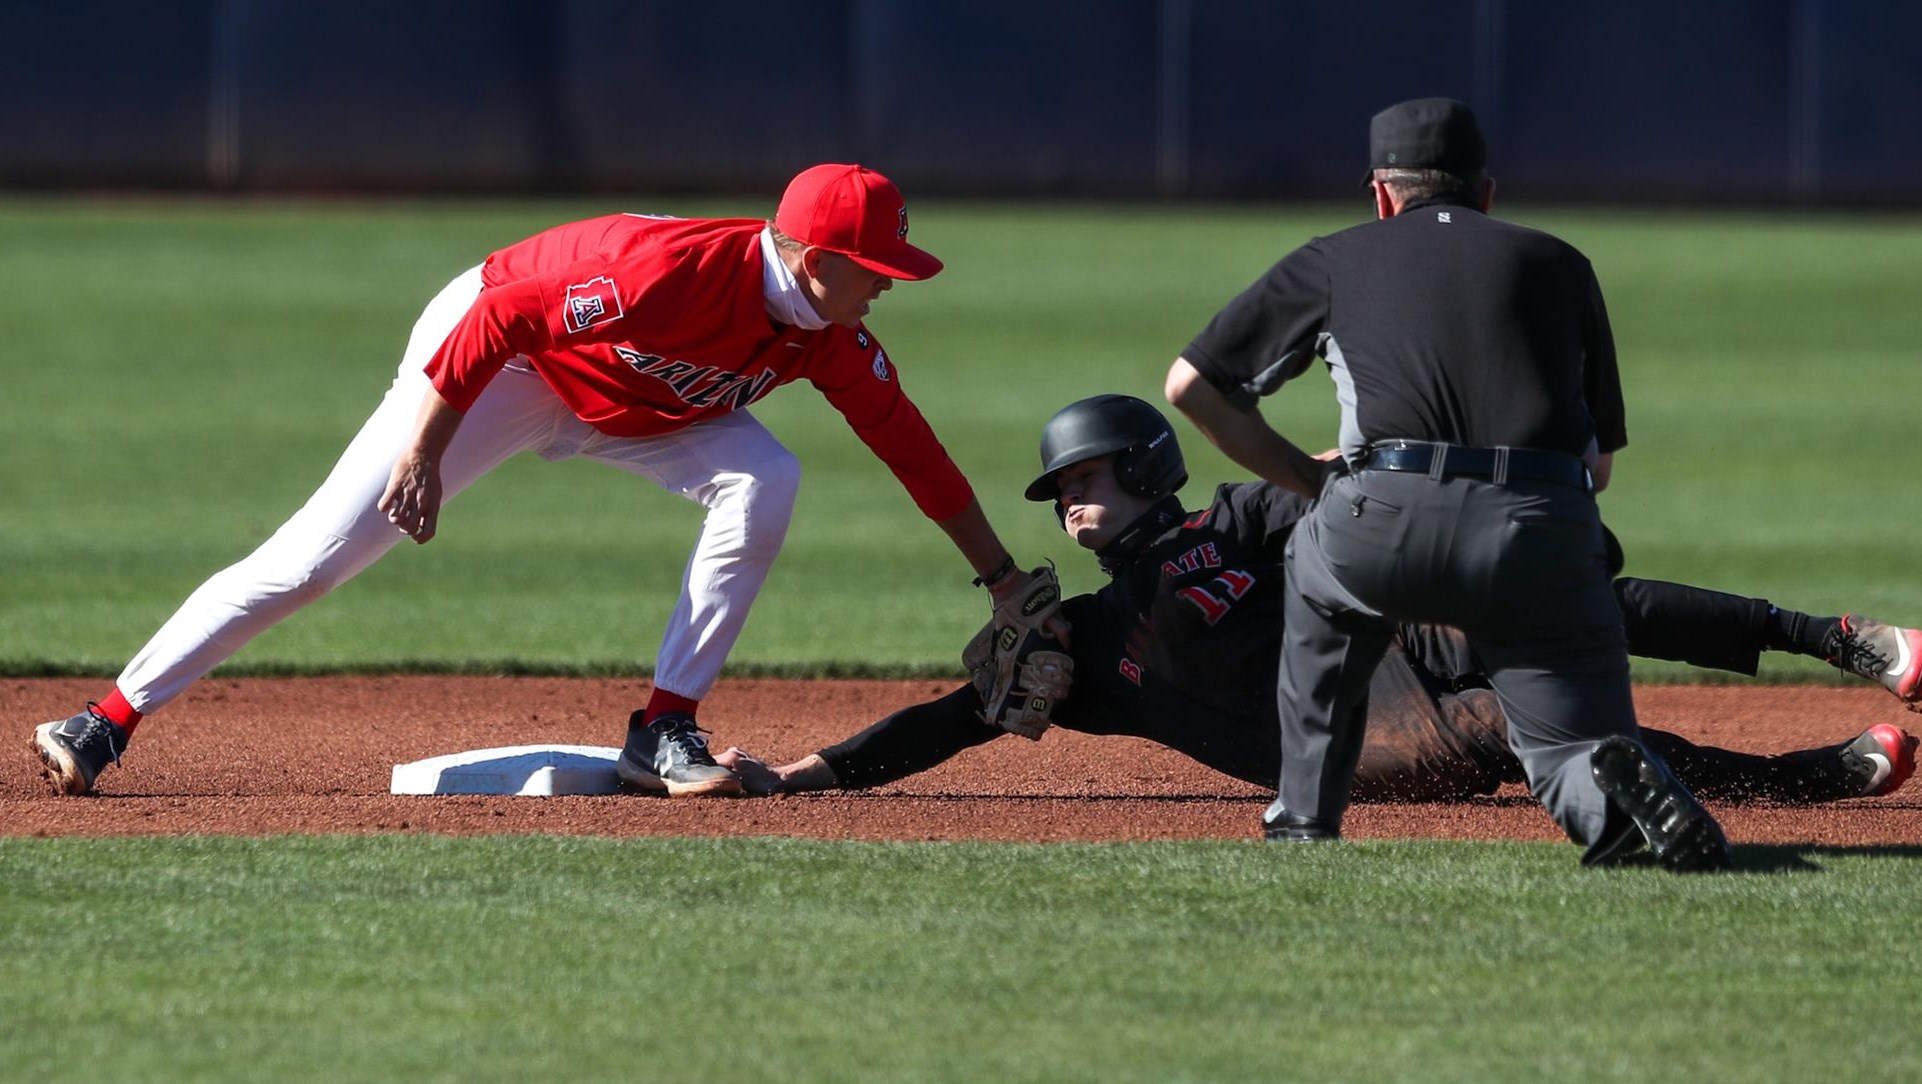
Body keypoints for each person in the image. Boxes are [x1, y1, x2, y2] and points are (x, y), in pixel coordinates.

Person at [31, 163, 1047, 800]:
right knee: (312, 563)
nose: (886, 286)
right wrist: (424, 449)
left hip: (636, 406)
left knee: (763, 476)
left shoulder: (829, 334)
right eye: (874, 268)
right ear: (817, 258)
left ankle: (663, 728)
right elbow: (503, 316)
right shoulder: (671, 272)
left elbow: (911, 447)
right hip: (501, 362)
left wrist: (1000, 575)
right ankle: (105, 721)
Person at [715, 395, 1921, 810]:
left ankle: (1838, 639)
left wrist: (1517, 540)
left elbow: (1373, 510)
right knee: (1524, 717)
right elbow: (939, 724)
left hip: (1390, 650)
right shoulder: (1078, 643)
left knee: (1569, 608)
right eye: (1056, 495)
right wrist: (803, 775)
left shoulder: (1242, 515)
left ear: (1139, 467)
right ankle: (1799, 779)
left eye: (1077, 480)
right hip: (1350, 745)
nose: (1064, 508)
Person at [1164, 98, 1738, 870]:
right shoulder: (1562, 264)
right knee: (1568, 743)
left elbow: (1190, 385)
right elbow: (1597, 468)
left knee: (1318, 570)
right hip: (1542, 525)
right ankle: (1608, 787)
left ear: (1379, 193)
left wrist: (1306, 478)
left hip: (1382, 519)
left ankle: (1304, 816)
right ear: (1487, 192)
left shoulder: (1334, 257)